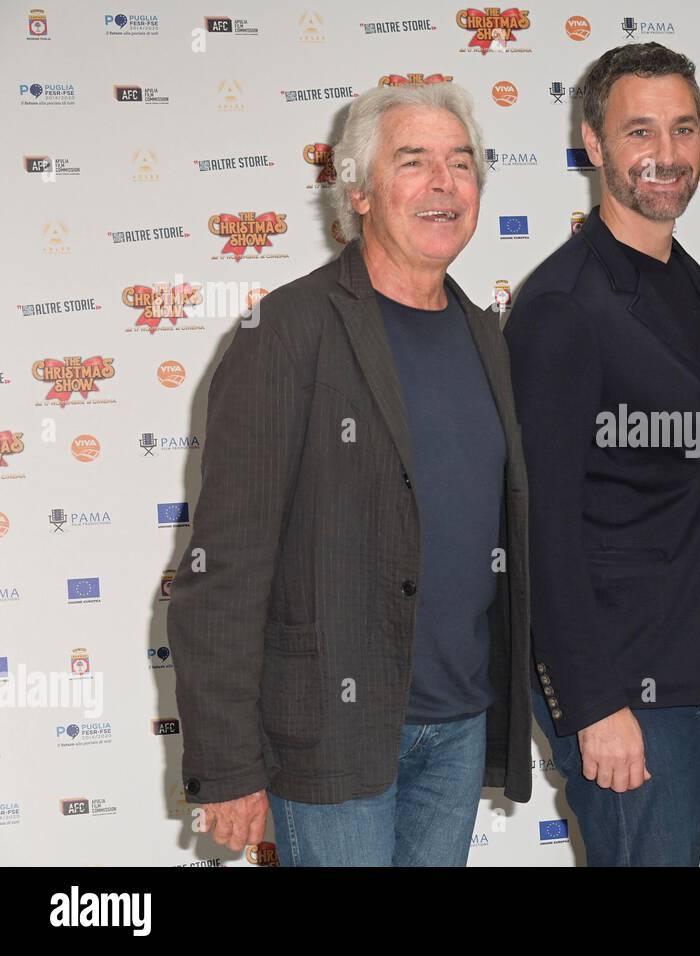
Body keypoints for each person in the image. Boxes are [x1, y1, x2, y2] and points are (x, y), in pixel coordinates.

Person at [168, 80, 533, 866]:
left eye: (461, 163)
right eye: (415, 162)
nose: (444, 184)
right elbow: (222, 569)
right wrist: (229, 764)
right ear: (359, 191)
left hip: (459, 723)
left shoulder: (487, 336)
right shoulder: (287, 334)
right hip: (333, 731)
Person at [504, 43, 700, 866]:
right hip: (619, 684)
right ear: (594, 143)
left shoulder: (690, 280)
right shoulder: (563, 307)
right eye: (640, 131)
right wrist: (592, 703)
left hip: (690, 661)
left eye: (683, 129)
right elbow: (538, 522)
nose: (666, 155)